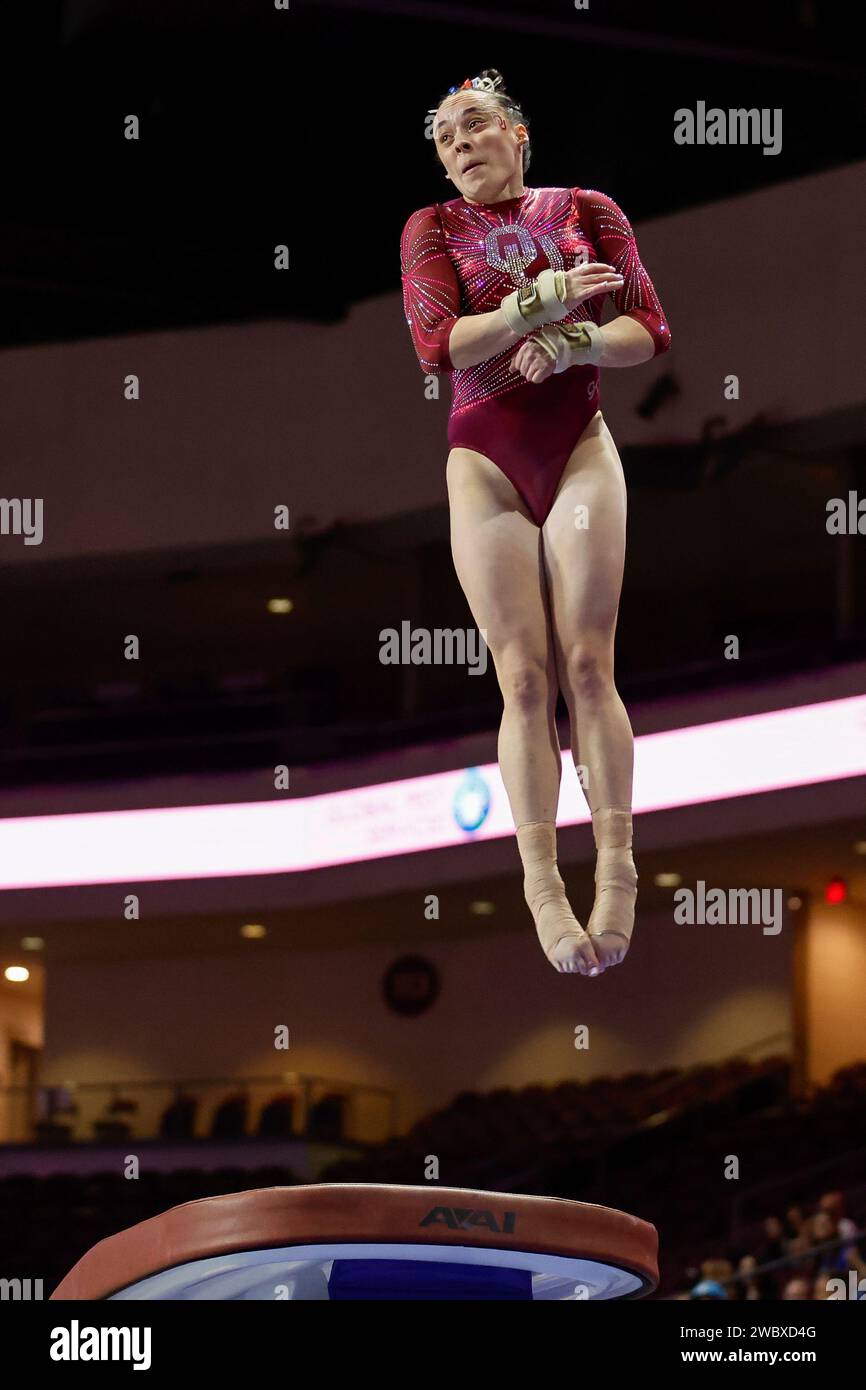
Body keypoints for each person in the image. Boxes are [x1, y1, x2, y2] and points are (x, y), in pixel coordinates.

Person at [400, 70, 671, 976]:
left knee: (589, 663)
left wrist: (581, 338)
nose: (461, 146)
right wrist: (536, 302)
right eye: (445, 138)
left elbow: (649, 329)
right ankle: (543, 886)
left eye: (475, 127)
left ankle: (621, 870)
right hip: (485, 463)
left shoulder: (588, 208)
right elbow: (441, 346)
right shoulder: (431, 229)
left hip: (580, 443)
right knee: (523, 679)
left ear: (520, 134)